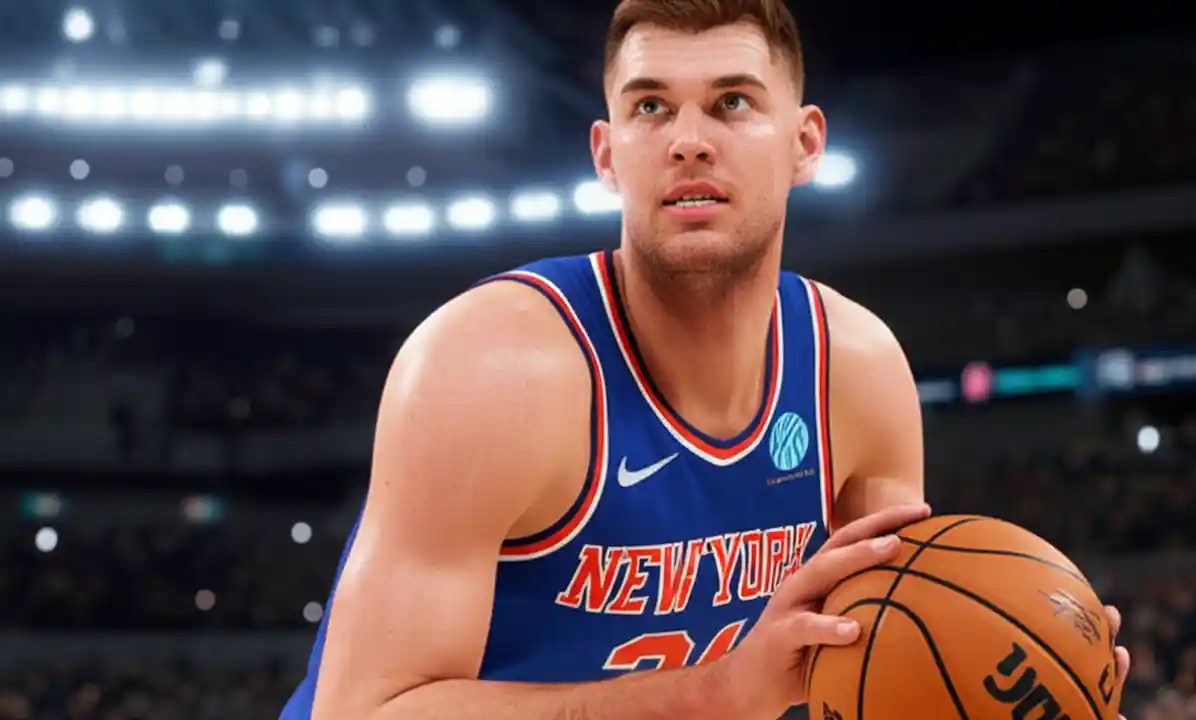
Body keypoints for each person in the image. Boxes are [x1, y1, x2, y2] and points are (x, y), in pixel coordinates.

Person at [282, 1, 1130, 718]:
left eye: (731, 102)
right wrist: (714, 694)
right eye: (651, 107)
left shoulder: (856, 369)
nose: (687, 139)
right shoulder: (494, 367)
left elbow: (883, 656)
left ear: (805, 144)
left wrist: (1027, 679)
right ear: (608, 155)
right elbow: (365, 711)